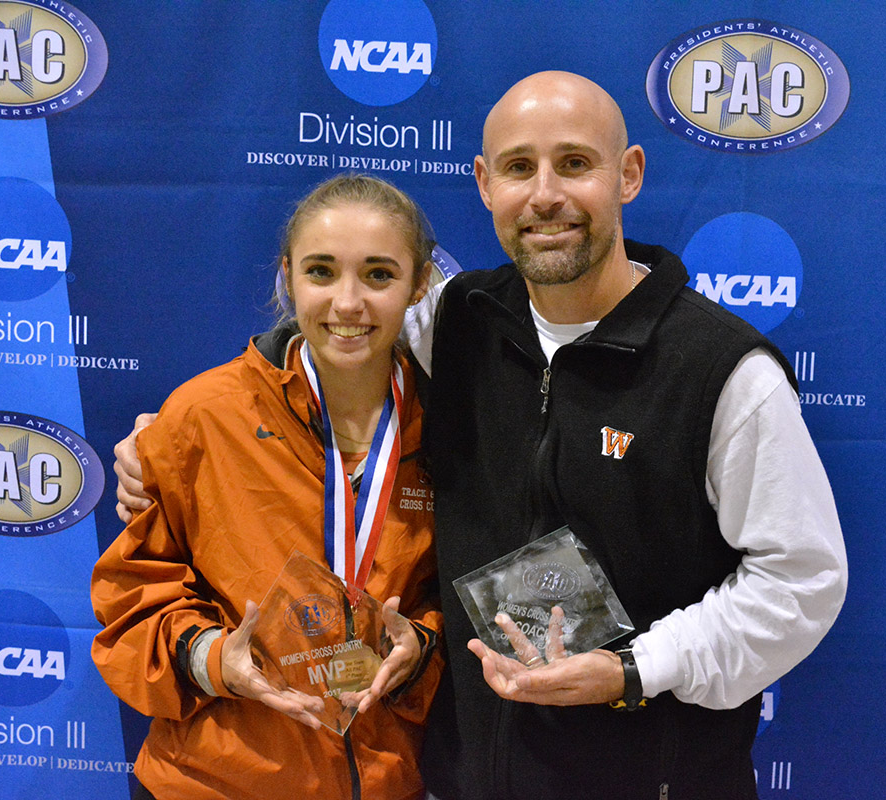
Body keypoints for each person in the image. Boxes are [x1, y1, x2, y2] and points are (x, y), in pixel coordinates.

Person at [116, 72, 847, 800]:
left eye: (575, 163)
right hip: (471, 779)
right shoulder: (459, 322)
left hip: (653, 773)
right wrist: (170, 440)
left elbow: (803, 581)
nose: (545, 195)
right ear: (484, 183)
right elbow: (342, 325)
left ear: (628, 174)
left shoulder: (724, 373)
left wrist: (635, 669)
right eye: (520, 167)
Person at [92, 174, 443, 800]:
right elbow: (130, 600)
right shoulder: (205, 414)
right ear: (288, 276)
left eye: (380, 275)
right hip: (215, 783)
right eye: (321, 271)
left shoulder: (449, 428)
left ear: (420, 284)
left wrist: (420, 646)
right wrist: (211, 659)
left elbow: (464, 592)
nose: (348, 302)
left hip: (387, 780)